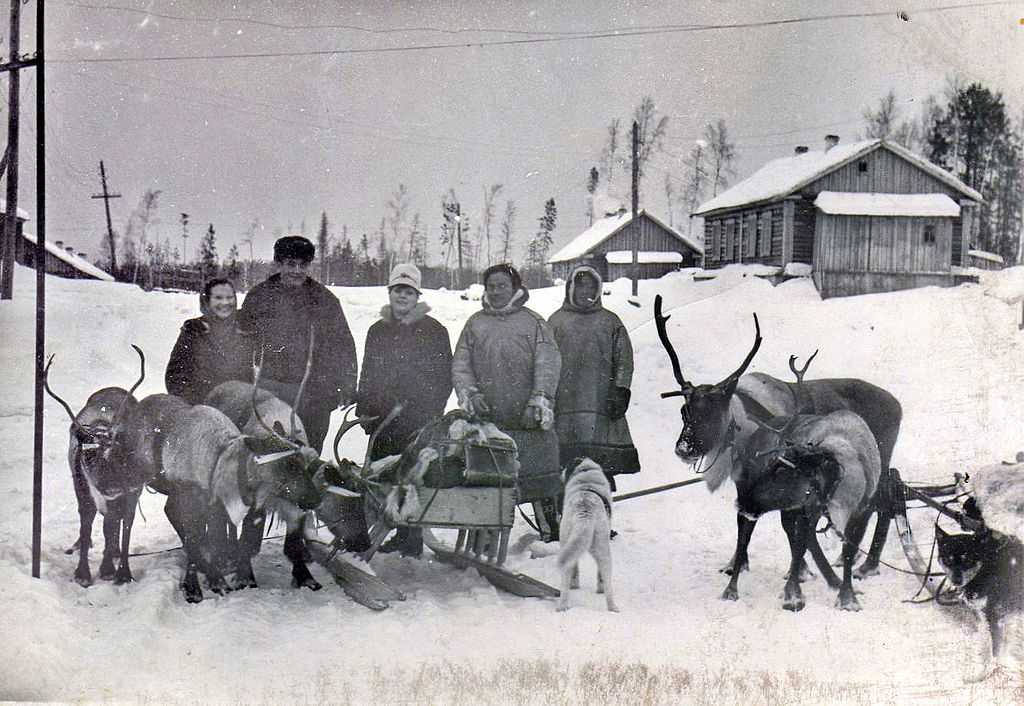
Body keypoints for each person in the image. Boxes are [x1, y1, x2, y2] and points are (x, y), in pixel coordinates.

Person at [452, 263, 563, 541]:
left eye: (502, 286)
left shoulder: (534, 323)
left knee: (540, 477)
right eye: (491, 286)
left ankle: (551, 533)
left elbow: (547, 364)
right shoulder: (475, 324)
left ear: (515, 289)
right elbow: (461, 366)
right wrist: (471, 395)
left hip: (528, 421)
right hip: (490, 422)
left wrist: (538, 402)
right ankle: (485, 539)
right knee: (489, 481)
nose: (496, 291)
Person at [356, 263, 453, 556]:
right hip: (383, 418)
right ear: (390, 292)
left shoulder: (434, 330)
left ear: (417, 295)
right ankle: (393, 530)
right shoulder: (377, 331)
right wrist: (364, 407)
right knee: (384, 475)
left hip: (417, 418)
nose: (402, 296)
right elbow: (368, 370)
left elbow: (443, 376)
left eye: (409, 291)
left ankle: (411, 537)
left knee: (413, 476)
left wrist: (429, 409)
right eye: (398, 290)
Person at [237, 235, 358, 452]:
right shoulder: (259, 296)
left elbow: (343, 345)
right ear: (279, 264)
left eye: (302, 265)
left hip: (313, 394)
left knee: (308, 454)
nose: (296, 270)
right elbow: (241, 341)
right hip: (268, 390)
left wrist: (346, 385)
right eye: (290, 264)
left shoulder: (325, 300)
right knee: (267, 454)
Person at [549, 265, 640, 498]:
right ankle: (564, 517)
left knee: (600, 468)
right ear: (571, 288)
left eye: (592, 286)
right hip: (565, 405)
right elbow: (546, 362)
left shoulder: (610, 322)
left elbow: (624, 361)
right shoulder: (556, 322)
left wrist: (620, 391)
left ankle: (601, 514)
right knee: (564, 466)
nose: (586, 291)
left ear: (599, 289)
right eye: (581, 286)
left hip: (600, 404)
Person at [165, 278, 253, 404]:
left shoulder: (247, 330)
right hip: (204, 407)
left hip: (242, 406)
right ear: (207, 301)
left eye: (229, 297)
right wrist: (198, 403)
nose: (225, 303)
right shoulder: (193, 331)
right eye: (218, 298)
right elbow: (175, 377)